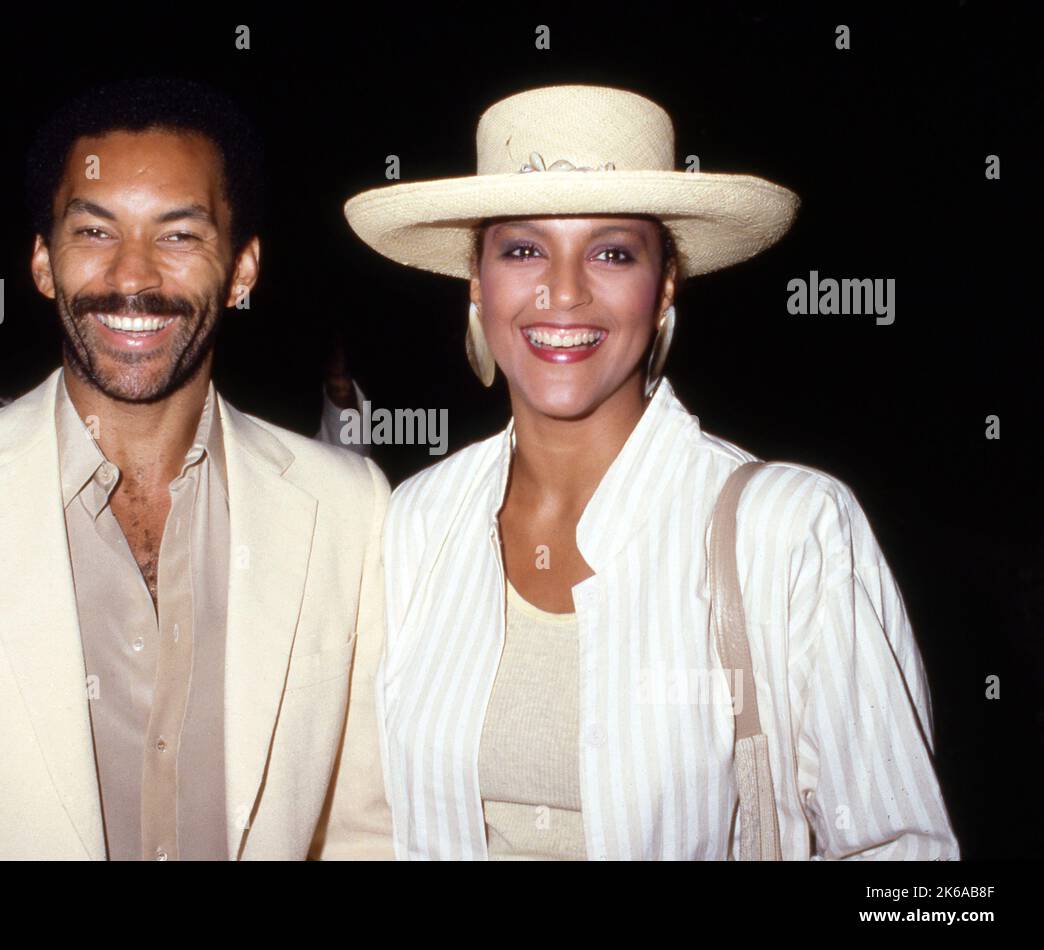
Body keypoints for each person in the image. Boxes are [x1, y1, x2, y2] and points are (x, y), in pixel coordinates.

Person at [0, 77, 392, 860]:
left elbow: (368, 834)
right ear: (42, 262)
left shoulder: (348, 508)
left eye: (179, 235)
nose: (132, 277)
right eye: (95, 233)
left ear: (242, 272)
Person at [343, 84, 960, 860]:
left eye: (611, 252)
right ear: (477, 278)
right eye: (523, 249)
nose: (562, 291)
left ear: (665, 284)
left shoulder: (790, 531)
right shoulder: (416, 522)